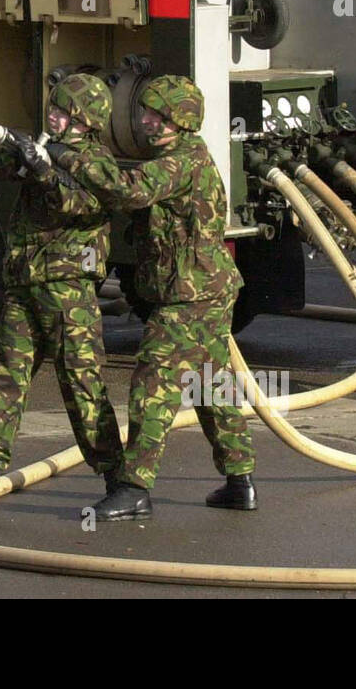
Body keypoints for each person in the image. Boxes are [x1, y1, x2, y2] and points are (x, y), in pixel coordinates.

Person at [53, 75, 256, 521]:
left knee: (152, 383)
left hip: (192, 295)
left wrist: (69, 157)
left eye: (154, 115)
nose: (144, 120)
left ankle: (135, 487)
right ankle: (240, 480)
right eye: (145, 112)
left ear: (178, 120)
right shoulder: (177, 157)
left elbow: (131, 190)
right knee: (211, 386)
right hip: (205, 290)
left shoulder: (182, 161)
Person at [0, 73, 124, 521]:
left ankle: (119, 482)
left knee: (84, 391)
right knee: (6, 384)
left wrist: (46, 172)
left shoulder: (99, 165)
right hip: (23, 289)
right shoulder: (46, 147)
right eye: (53, 108)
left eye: (63, 112)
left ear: (85, 122)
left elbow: (76, 205)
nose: (53, 116)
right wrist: (18, 152)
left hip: (68, 296)